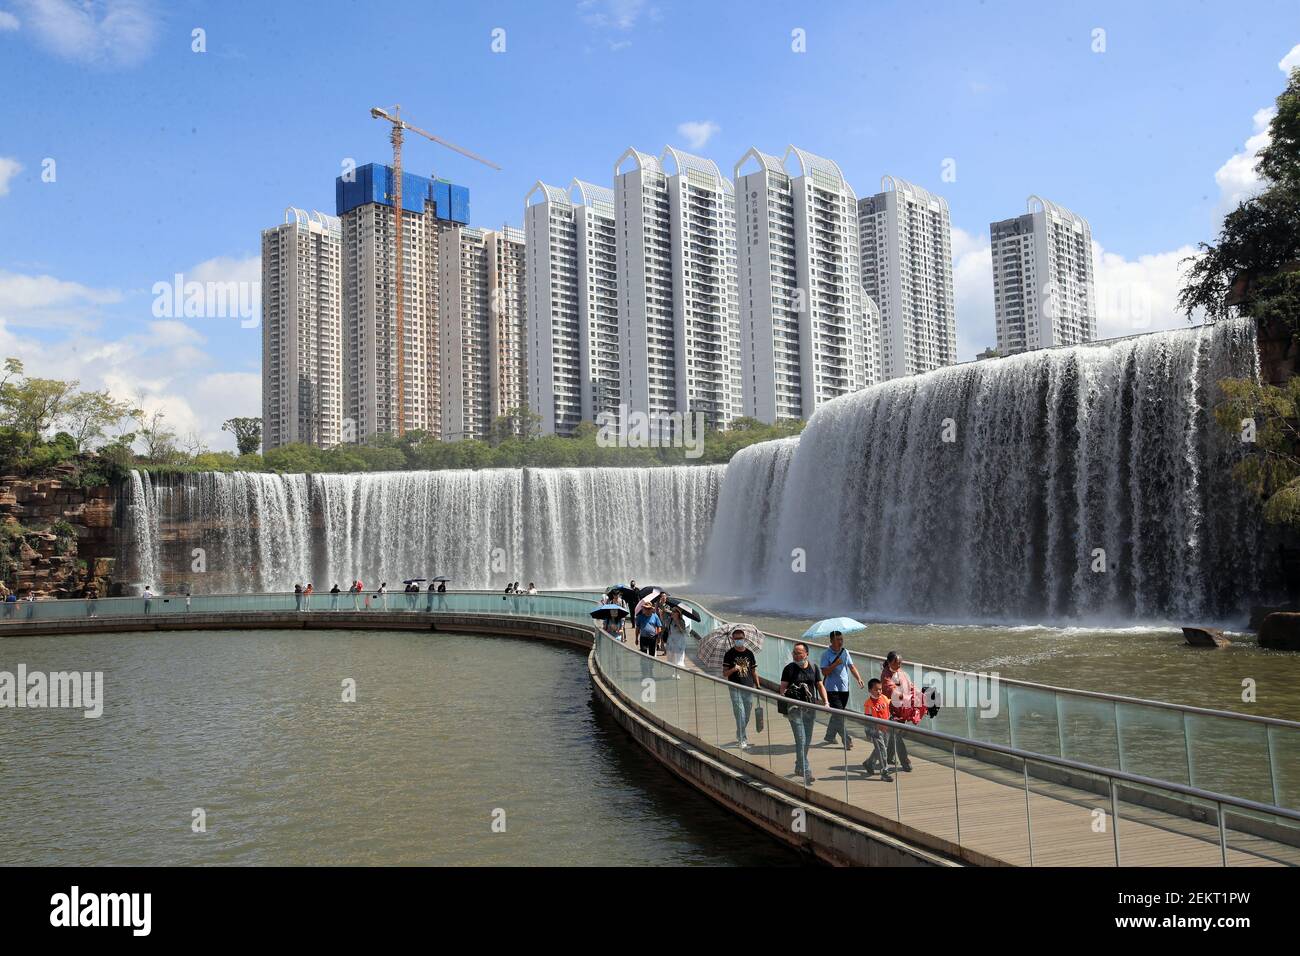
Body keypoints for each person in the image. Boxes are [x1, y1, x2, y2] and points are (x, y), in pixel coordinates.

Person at [779, 643, 828, 785]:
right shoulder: (789, 669)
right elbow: (782, 689)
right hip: (794, 710)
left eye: (799, 653)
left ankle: (798, 764)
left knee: (807, 741)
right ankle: (806, 771)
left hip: (810, 710)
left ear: (806, 654)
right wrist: (786, 699)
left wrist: (826, 702)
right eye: (794, 653)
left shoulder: (814, 668)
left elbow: (820, 685)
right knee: (801, 740)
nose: (796, 655)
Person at [819, 631, 865, 750]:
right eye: (837, 639)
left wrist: (858, 678)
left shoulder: (845, 652)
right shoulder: (826, 654)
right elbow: (824, 672)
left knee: (837, 714)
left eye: (841, 639)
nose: (840, 642)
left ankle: (829, 735)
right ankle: (847, 739)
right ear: (831, 641)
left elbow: (851, 666)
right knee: (840, 715)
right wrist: (834, 664)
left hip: (844, 688)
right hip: (831, 689)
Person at [722, 628, 760, 750]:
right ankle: (742, 738)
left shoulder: (749, 653)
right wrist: (734, 669)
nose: (739, 641)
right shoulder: (729, 654)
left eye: (741, 638)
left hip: (749, 687)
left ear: (744, 639)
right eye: (737, 639)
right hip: (735, 687)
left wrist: (758, 685)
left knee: (747, 714)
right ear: (733, 640)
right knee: (740, 714)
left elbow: (753, 671)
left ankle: (739, 732)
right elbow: (725, 674)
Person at [881, 651, 915, 773]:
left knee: (895, 734)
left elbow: (908, 684)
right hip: (891, 709)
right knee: (897, 734)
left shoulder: (899, 672)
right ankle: (905, 762)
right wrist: (905, 696)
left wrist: (915, 691)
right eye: (897, 663)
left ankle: (887, 757)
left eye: (900, 663)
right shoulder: (886, 674)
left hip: (902, 708)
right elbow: (890, 690)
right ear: (890, 662)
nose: (899, 665)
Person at [861, 678, 893, 782]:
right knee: (882, 749)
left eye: (880, 689)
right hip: (876, 730)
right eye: (876, 690)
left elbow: (890, 707)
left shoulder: (884, 698)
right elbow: (867, 719)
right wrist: (869, 731)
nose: (879, 691)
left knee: (882, 748)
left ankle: (869, 763)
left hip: (886, 728)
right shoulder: (868, 704)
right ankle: (884, 772)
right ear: (870, 690)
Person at [665, 606, 691, 670]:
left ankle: (678, 673)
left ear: (678, 613)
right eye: (672, 611)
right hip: (671, 641)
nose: (672, 612)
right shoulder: (670, 620)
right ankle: (673, 671)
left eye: (674, 611)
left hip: (679, 641)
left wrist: (677, 622)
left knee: (679, 658)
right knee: (671, 658)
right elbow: (665, 624)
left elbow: (683, 631)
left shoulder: (682, 621)